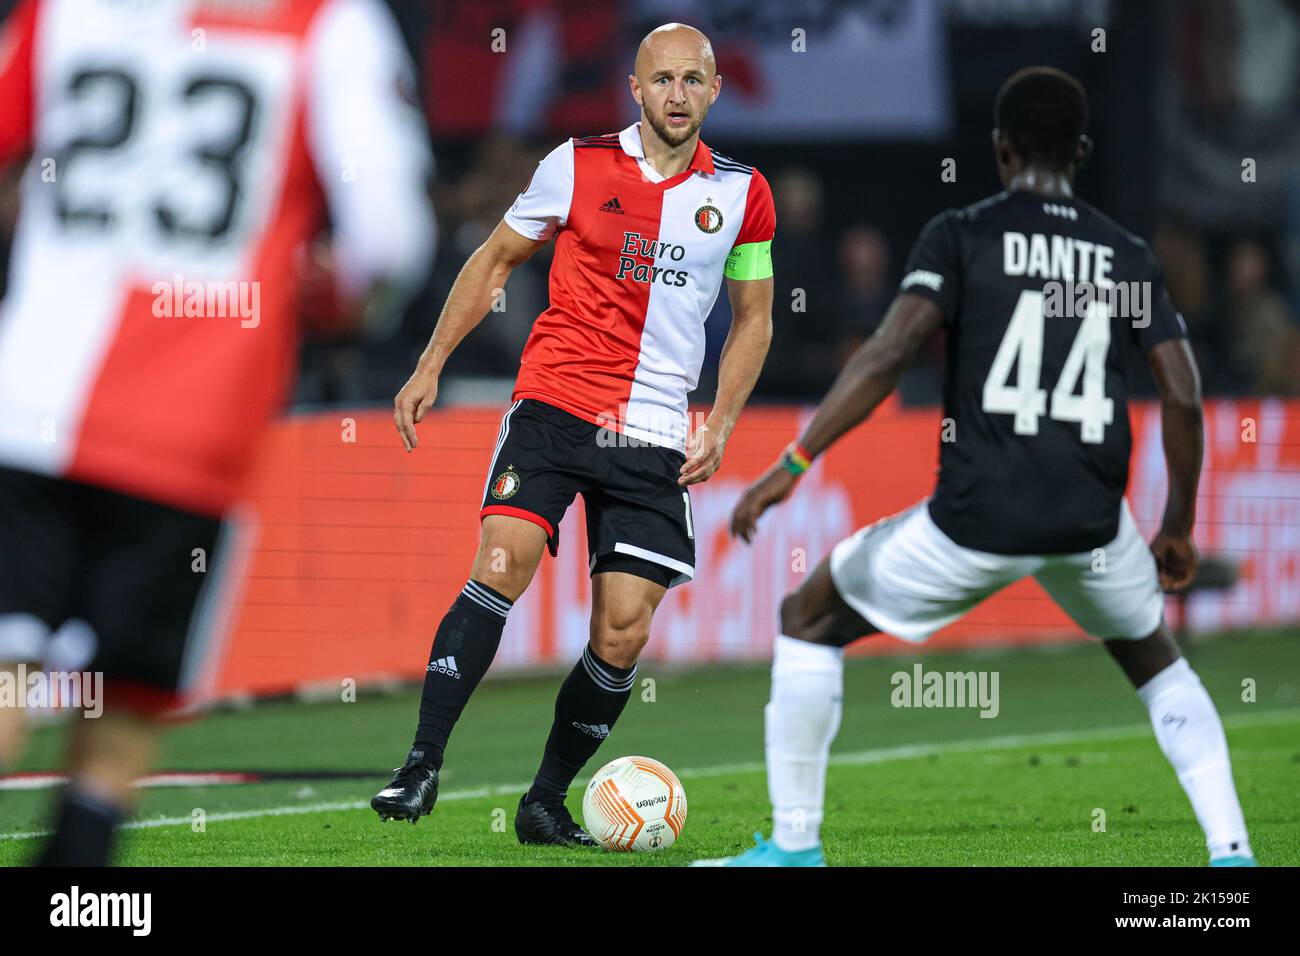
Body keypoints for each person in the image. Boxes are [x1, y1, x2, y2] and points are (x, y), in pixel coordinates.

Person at [699, 67, 1254, 867]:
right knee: (1158, 663)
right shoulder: (1126, 256)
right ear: (1083, 152)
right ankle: (1232, 855)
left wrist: (795, 458)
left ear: (999, 150)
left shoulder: (962, 234)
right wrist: (1175, 528)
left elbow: (888, 353)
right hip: (1092, 524)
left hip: (976, 519)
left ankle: (794, 850)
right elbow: (1184, 396)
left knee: (808, 616)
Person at [0, 0, 434, 865]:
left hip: (25, 401)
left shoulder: (65, 12)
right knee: (122, 716)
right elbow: (387, 238)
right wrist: (331, 301)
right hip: (190, 434)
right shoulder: (327, 24)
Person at [372, 22, 775, 846]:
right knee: (501, 562)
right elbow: (493, 261)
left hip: (656, 428)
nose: (677, 95)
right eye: (661, 80)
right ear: (634, 87)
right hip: (557, 403)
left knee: (624, 630)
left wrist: (723, 418)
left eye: (693, 80)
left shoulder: (742, 193)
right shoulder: (576, 163)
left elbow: (755, 318)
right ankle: (420, 764)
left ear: (714, 89)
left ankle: (544, 803)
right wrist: (429, 364)